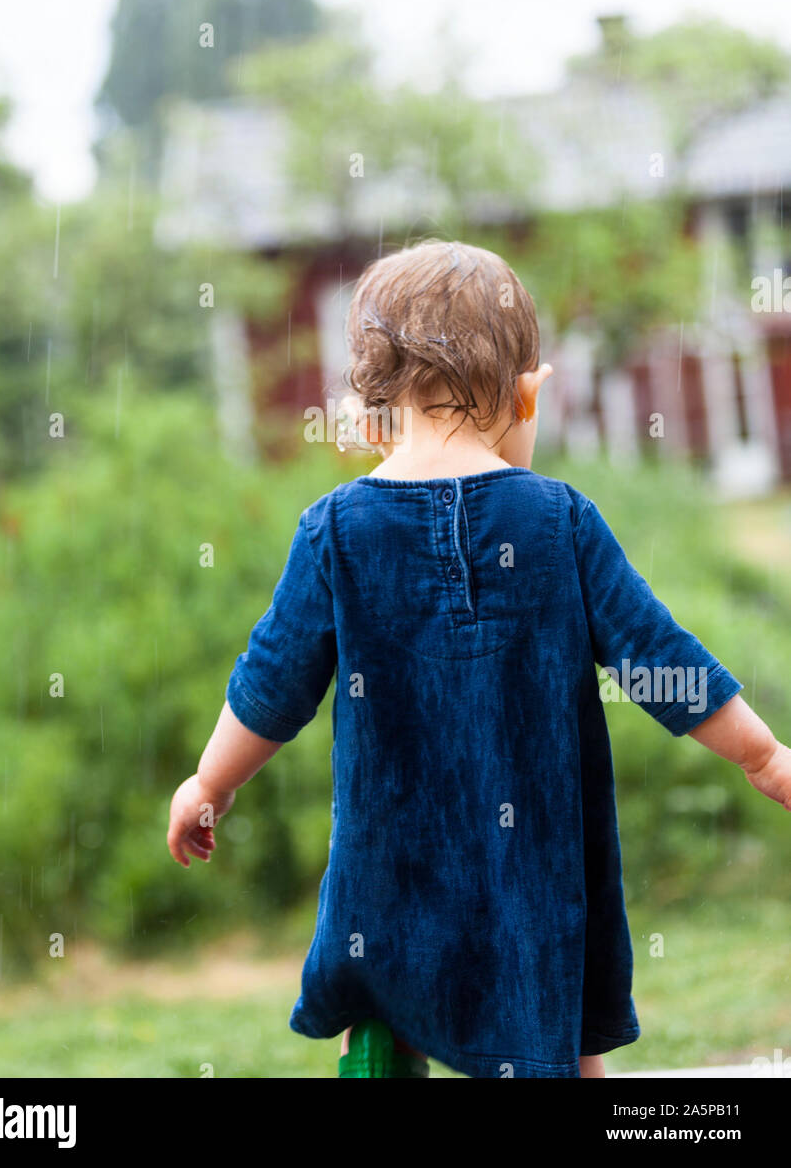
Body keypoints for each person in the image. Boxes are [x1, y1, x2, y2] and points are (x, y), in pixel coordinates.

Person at [167, 239, 791, 1079]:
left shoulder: (335, 533)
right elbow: (658, 661)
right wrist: (763, 754)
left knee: (376, 1035)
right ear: (528, 392)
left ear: (370, 406)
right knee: (563, 1049)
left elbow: (270, 685)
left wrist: (210, 783)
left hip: (385, 902)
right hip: (537, 896)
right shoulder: (560, 521)